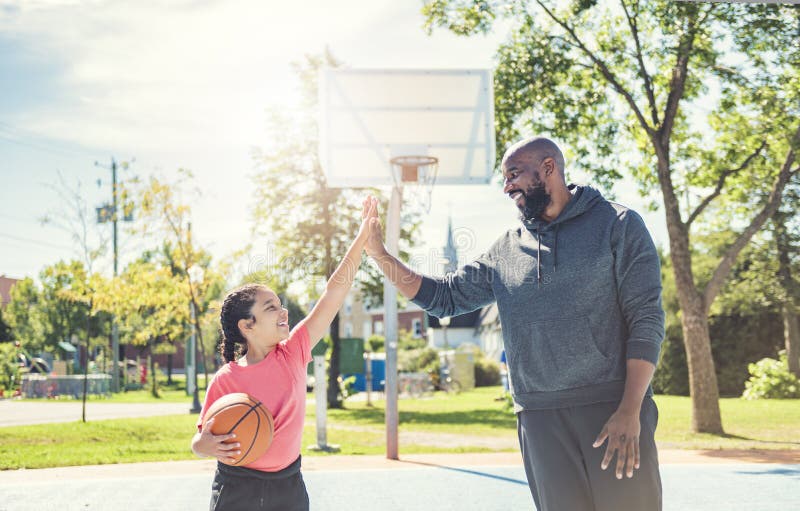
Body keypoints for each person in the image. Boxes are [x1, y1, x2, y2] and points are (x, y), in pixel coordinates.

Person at [364, 137, 664, 511]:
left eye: (514, 174)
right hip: (539, 418)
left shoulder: (618, 225)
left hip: (609, 409)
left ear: (549, 168)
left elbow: (646, 319)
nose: (507, 186)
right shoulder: (507, 249)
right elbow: (443, 297)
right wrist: (380, 256)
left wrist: (630, 408)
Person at [191, 196, 377, 511]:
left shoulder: (293, 352)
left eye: (281, 304)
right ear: (247, 325)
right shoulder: (226, 380)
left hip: (288, 488)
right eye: (271, 307)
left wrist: (361, 240)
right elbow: (200, 441)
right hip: (236, 486)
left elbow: (333, 292)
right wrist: (204, 446)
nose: (284, 312)